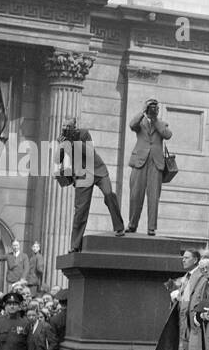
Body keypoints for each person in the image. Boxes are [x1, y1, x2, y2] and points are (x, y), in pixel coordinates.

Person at [60, 118, 126, 249]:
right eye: (64, 126)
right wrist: (63, 146)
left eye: (68, 126)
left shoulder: (84, 134)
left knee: (109, 194)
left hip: (98, 170)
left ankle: (119, 227)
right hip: (82, 176)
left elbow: (89, 152)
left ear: (74, 127)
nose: (66, 129)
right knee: (80, 211)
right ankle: (75, 245)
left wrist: (74, 142)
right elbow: (61, 158)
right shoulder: (62, 139)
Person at [126, 98, 173, 235]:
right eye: (150, 107)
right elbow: (132, 124)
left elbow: (167, 135)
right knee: (135, 195)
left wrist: (156, 119)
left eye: (155, 107)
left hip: (156, 163)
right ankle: (132, 224)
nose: (152, 110)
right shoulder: (140, 122)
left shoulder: (162, 124)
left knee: (153, 197)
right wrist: (143, 111)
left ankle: (151, 227)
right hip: (140, 161)